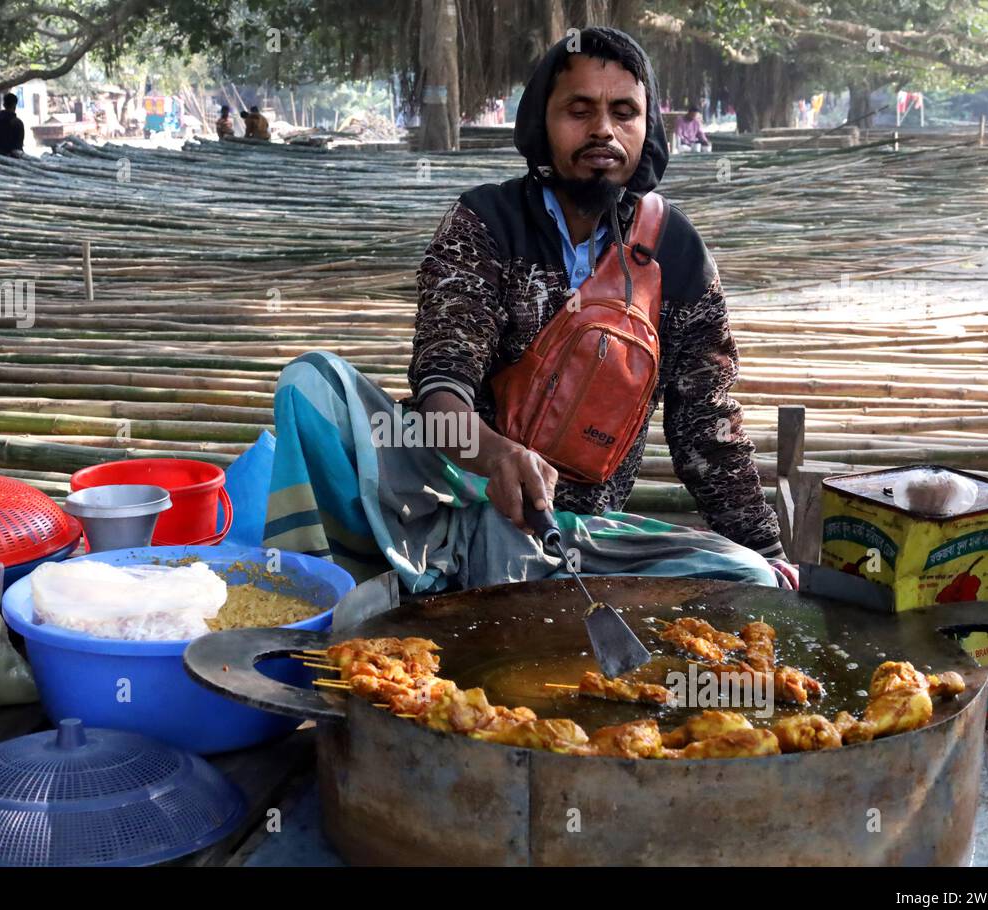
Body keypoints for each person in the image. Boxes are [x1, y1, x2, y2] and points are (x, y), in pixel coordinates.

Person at [262, 27, 787, 593]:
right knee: (311, 384)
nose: (603, 130)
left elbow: (706, 429)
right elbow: (443, 382)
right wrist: (494, 456)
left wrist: (769, 552)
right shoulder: (485, 222)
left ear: (647, 126)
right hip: (439, 495)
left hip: (571, 535)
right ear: (542, 122)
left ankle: (461, 580)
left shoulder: (677, 254)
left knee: (749, 577)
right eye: (578, 110)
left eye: (623, 112)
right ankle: (336, 586)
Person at [0, 92, 26, 157]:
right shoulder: (17, 123)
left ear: (4, 104)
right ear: (15, 105)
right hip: (16, 158)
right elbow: (19, 144)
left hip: (2, 157)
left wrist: (1, 151)